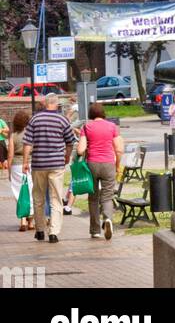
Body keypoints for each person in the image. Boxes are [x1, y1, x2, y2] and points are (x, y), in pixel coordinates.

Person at [21, 91, 75, 242]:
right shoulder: (63, 120)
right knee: (56, 198)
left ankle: (39, 230)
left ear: (45, 103)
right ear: (56, 104)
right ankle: (53, 232)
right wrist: (66, 156)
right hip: (56, 164)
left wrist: (25, 162)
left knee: (38, 198)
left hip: (39, 164)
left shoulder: (35, 119)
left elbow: (27, 143)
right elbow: (70, 141)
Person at [77, 102, 123, 241]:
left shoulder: (86, 127)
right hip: (108, 163)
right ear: (103, 113)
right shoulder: (112, 127)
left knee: (93, 198)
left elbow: (80, 150)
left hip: (92, 164)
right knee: (107, 196)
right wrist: (117, 164)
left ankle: (95, 230)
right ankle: (108, 219)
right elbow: (119, 149)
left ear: (91, 114)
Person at [7, 110, 34, 232]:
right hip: (30, 164)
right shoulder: (30, 133)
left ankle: (23, 219)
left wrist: (9, 172)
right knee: (31, 191)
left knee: (19, 192)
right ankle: (31, 221)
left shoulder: (13, 136)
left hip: (16, 166)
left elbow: (10, 155)